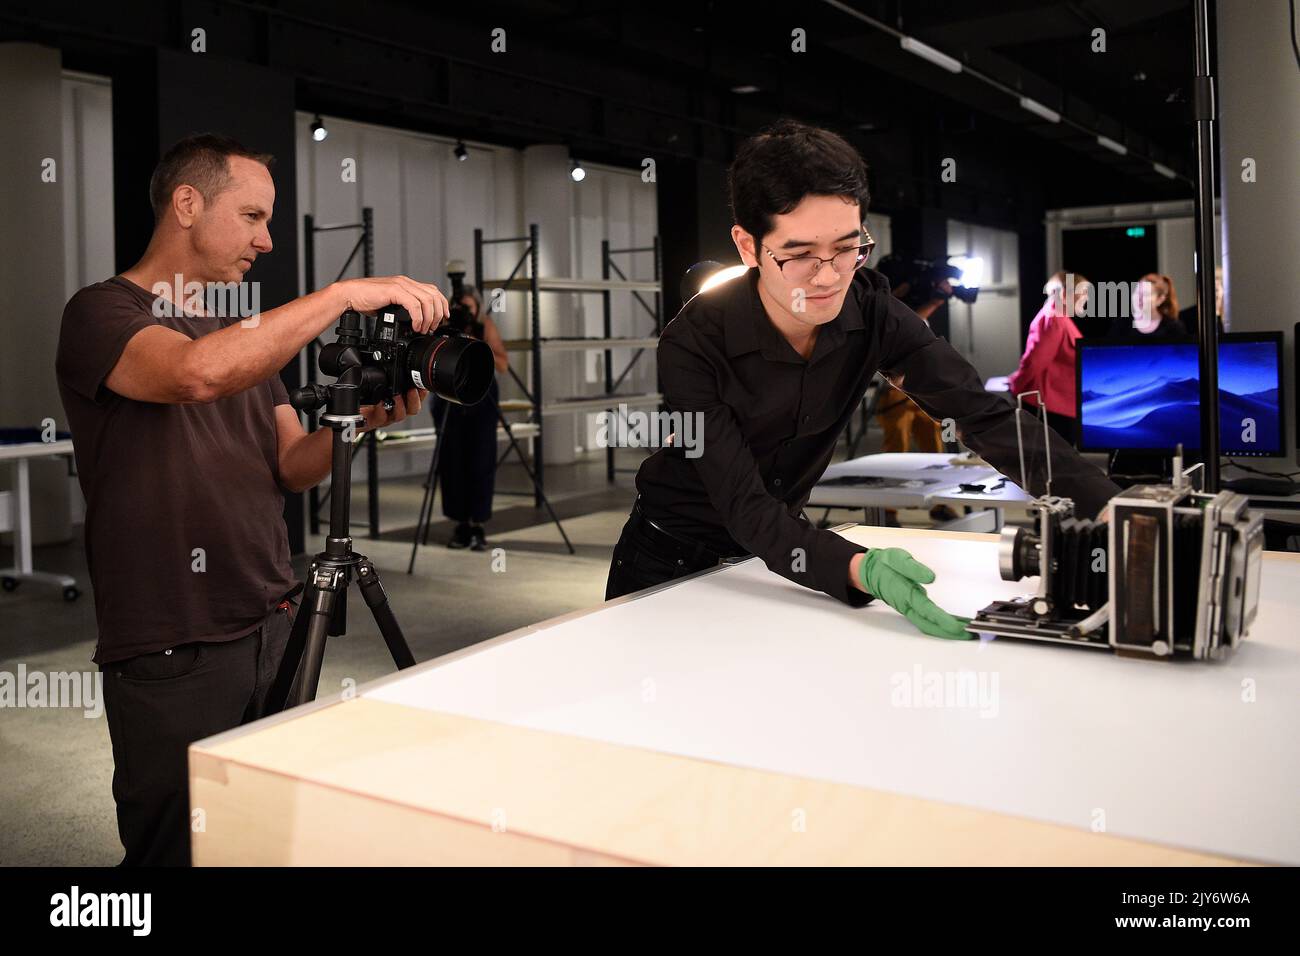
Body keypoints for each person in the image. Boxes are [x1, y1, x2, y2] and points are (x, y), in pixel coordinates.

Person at [55, 133, 447, 866]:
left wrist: (358, 423)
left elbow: (293, 465)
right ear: (187, 204)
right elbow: (193, 375)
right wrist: (338, 295)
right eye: (253, 217)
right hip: (176, 637)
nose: (266, 241)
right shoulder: (100, 313)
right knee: (175, 850)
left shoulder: (240, 336)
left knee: (259, 839)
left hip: (272, 616)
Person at [605, 119, 1119, 638]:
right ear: (747, 245)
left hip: (775, 560)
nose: (828, 276)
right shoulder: (694, 341)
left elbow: (979, 413)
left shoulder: (874, 312)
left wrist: (1111, 508)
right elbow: (743, 502)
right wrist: (856, 567)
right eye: (800, 254)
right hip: (669, 559)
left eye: (848, 248)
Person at [429, 283, 510, 551]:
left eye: (468, 306)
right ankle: (459, 525)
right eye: (458, 306)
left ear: (477, 307)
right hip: (449, 403)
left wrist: (477, 347)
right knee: (451, 464)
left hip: (481, 402)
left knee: (480, 462)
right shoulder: (446, 328)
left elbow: (502, 364)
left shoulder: (484, 326)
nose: (463, 311)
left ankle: (478, 526)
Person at [1007, 271, 1090, 445]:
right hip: (1052, 408)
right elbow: (1034, 362)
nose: (1086, 298)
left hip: (1061, 406)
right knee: (1054, 465)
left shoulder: (1059, 318)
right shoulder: (1052, 318)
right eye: (1082, 292)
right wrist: (1016, 387)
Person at [1110, 272, 1189, 340]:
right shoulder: (1121, 324)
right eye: (1137, 293)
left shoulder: (1173, 328)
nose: (1139, 298)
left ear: (1160, 300)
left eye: (1145, 294)